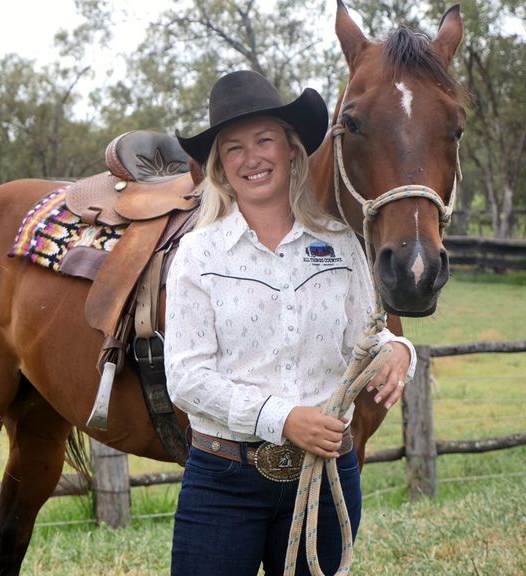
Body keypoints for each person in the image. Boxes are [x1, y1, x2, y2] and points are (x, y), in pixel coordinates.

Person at [165, 70, 416, 576]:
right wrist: (283, 419)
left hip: (325, 477)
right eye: (233, 148)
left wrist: (398, 351)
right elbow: (187, 380)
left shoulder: (341, 244)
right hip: (223, 478)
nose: (251, 158)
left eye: (264, 141)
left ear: (292, 150)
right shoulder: (198, 253)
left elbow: (363, 339)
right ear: (219, 167)